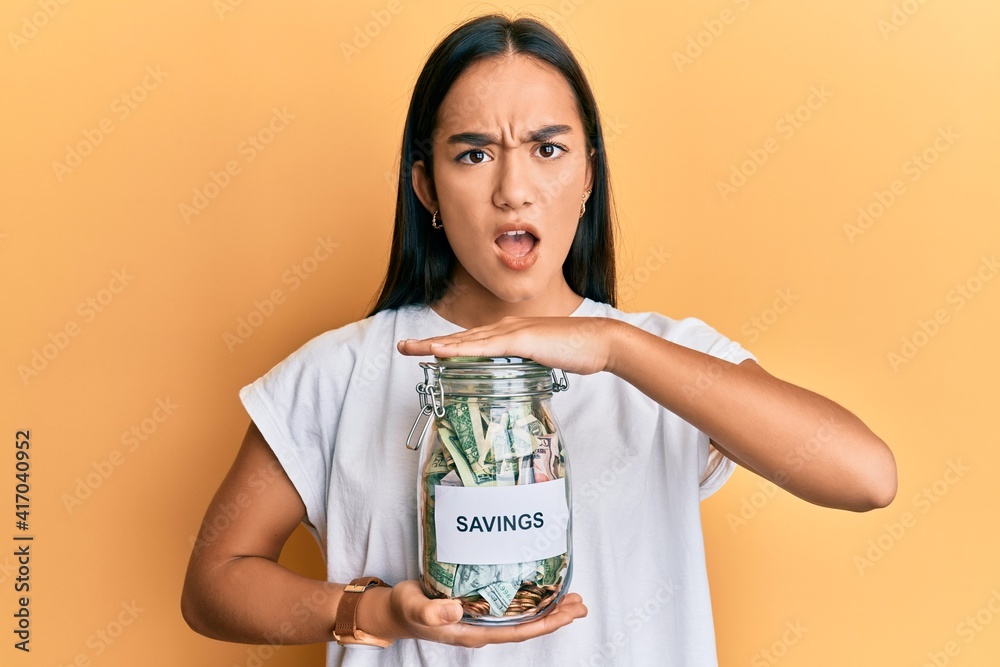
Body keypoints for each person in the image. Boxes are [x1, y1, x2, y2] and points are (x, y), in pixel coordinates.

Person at [181, 13, 897, 666]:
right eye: (474, 155)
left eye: (548, 149)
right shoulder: (341, 372)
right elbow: (214, 584)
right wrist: (375, 611)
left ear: (589, 175)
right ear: (426, 188)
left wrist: (614, 346)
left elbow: (866, 476)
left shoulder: (664, 358)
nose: (513, 189)